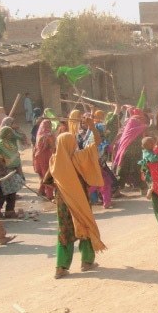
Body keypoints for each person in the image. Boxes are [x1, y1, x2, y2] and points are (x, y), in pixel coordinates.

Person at [47, 117, 107, 279]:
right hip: (80, 201)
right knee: (84, 225)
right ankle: (87, 262)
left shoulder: (54, 161)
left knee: (65, 232)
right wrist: (92, 127)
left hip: (63, 202)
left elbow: (48, 181)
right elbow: (97, 144)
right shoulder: (78, 157)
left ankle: (61, 267)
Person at [113, 109, 149, 193]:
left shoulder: (131, 121)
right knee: (135, 169)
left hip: (129, 150)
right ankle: (143, 188)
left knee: (123, 170)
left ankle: (117, 189)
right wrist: (146, 126)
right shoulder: (135, 121)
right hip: (132, 150)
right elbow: (140, 130)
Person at [0, 126, 26, 219]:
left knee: (12, 193)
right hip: (1, 173)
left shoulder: (12, 144)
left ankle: (9, 211)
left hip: (12, 172)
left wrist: (19, 172)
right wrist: (4, 170)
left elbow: (17, 159)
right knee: (0, 194)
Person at [33, 120, 56, 200]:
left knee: (43, 174)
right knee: (48, 175)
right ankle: (49, 195)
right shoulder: (49, 135)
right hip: (46, 156)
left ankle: (41, 191)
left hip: (38, 156)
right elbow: (53, 147)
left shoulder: (39, 134)